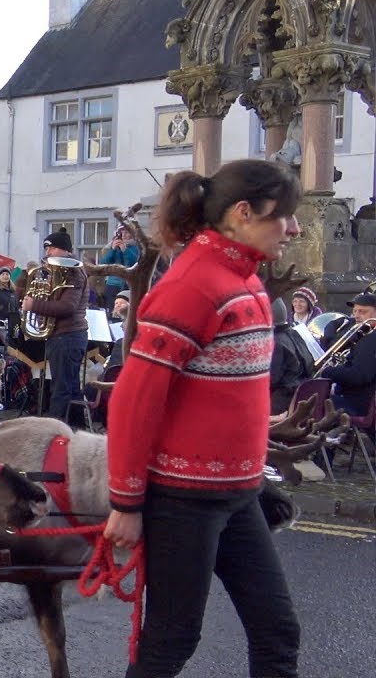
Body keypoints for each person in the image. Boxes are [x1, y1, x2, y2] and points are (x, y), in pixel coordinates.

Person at [104, 159, 302, 678]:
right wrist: (126, 502)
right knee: (171, 641)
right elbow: (133, 399)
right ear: (242, 213)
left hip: (239, 495)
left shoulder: (246, 282)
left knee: (278, 632)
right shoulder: (193, 285)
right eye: (282, 216)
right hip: (184, 502)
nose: (294, 228)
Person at [22, 229, 88, 421]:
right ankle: (77, 428)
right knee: (71, 387)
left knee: (61, 388)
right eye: (46, 248)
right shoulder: (58, 272)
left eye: (51, 248)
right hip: (61, 336)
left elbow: (67, 307)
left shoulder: (73, 273)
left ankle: (54, 431)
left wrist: (34, 305)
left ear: (64, 250)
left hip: (68, 336)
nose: (47, 253)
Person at [317, 292, 376, 418]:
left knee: (310, 402)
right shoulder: (364, 334)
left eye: (362, 311)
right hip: (359, 398)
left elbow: (359, 376)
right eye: (355, 311)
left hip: (358, 404)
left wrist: (327, 371)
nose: (356, 316)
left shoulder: (370, 339)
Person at [270, 298, 315, 414]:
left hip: (281, 401)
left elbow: (271, 380)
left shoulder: (276, 342)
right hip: (299, 394)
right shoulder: (293, 334)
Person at [99, 227, 140, 306]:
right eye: (122, 233)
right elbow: (103, 263)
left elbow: (135, 263)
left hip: (128, 285)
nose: (123, 235)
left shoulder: (136, 247)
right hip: (112, 284)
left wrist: (125, 250)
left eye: (126, 233)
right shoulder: (111, 246)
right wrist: (113, 250)